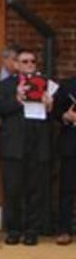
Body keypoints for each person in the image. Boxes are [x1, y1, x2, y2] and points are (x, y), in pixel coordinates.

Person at [0, 49, 53, 245]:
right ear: (16, 65)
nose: (29, 64)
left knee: (35, 190)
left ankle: (32, 231)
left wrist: (50, 106)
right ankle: (13, 230)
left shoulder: (46, 84)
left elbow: (55, 117)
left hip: (38, 144)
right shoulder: (5, 86)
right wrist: (17, 100)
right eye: (25, 61)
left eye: (32, 61)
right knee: (13, 190)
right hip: (14, 145)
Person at [54, 74, 76, 245]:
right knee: (67, 190)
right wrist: (65, 116)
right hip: (71, 145)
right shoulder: (67, 86)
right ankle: (64, 230)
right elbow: (55, 111)